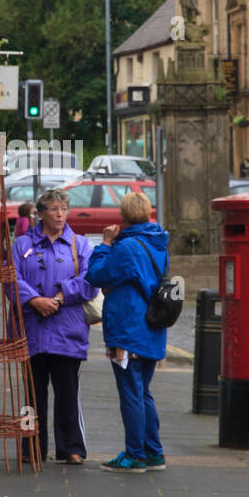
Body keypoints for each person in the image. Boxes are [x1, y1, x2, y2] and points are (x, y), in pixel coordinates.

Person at [85, 191, 169, 472]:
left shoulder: (127, 247)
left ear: (123, 216)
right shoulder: (158, 243)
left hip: (127, 329)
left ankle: (135, 455)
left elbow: (97, 275)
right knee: (143, 391)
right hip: (152, 328)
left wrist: (105, 243)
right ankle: (153, 452)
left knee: (131, 393)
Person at [13, 188, 98, 464]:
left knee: (67, 394)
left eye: (64, 208)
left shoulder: (80, 245)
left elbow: (89, 281)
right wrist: (35, 300)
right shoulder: (22, 245)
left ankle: (71, 447)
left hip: (67, 330)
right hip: (32, 330)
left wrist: (60, 298)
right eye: (53, 209)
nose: (60, 214)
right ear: (40, 213)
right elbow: (10, 279)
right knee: (31, 396)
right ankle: (30, 448)